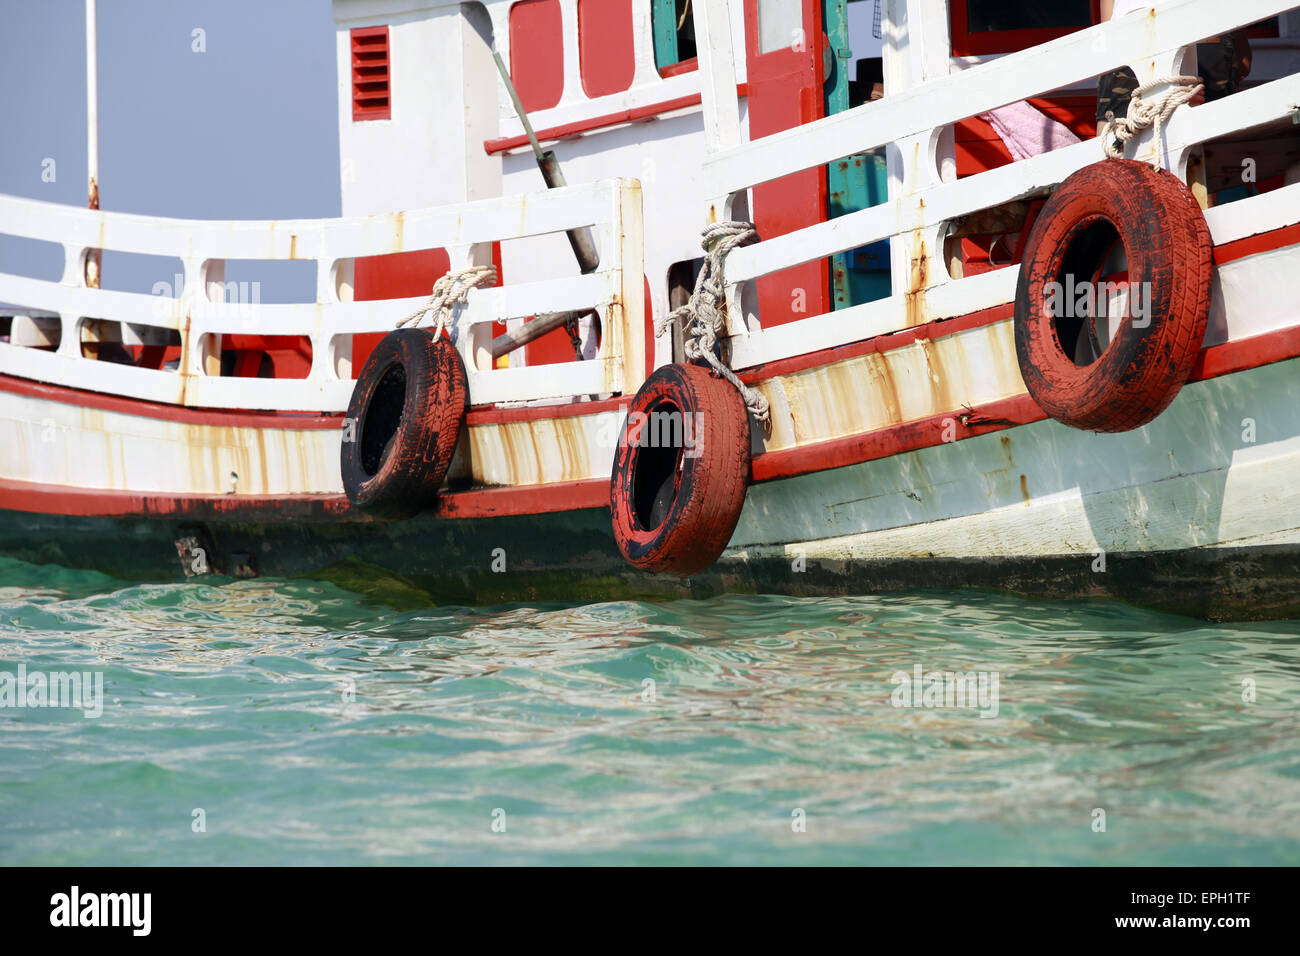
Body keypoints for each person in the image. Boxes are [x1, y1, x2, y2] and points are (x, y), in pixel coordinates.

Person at [1096, 0, 1252, 125]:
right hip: (1206, 32)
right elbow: (1245, 63)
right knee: (1212, 142)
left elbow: (1106, 30)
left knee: (1114, 147)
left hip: (1126, 34)